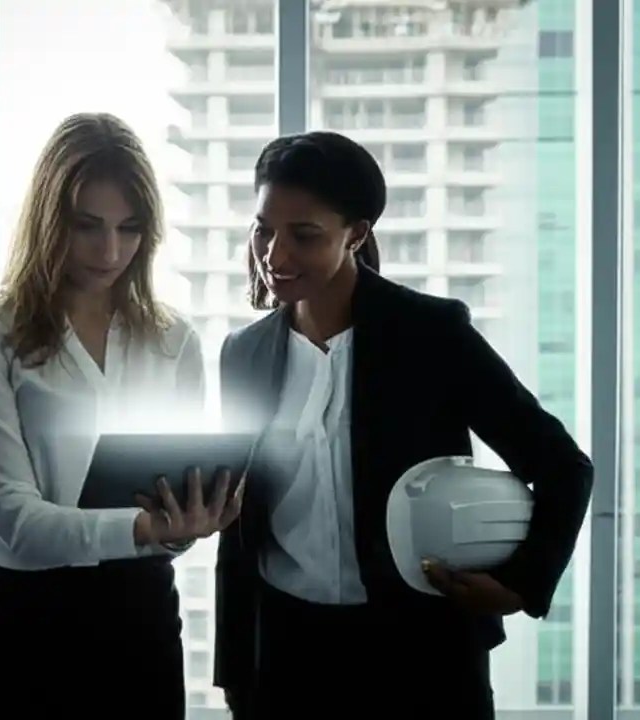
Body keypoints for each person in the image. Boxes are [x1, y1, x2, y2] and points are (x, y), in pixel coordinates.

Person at [213, 131, 595, 718]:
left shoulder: (431, 334)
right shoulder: (243, 353)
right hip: (287, 655)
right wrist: (236, 671)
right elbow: (240, 534)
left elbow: (563, 465)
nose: (275, 256)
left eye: (304, 235)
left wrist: (522, 581)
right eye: (264, 229)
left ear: (356, 234)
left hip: (421, 652)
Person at [0, 112, 244, 719]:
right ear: (49, 220)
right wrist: (144, 530)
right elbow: (16, 521)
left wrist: (193, 520)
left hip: (140, 617)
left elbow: (172, 525)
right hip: (24, 619)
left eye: (129, 228)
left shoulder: (174, 340)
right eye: (87, 227)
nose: (110, 251)